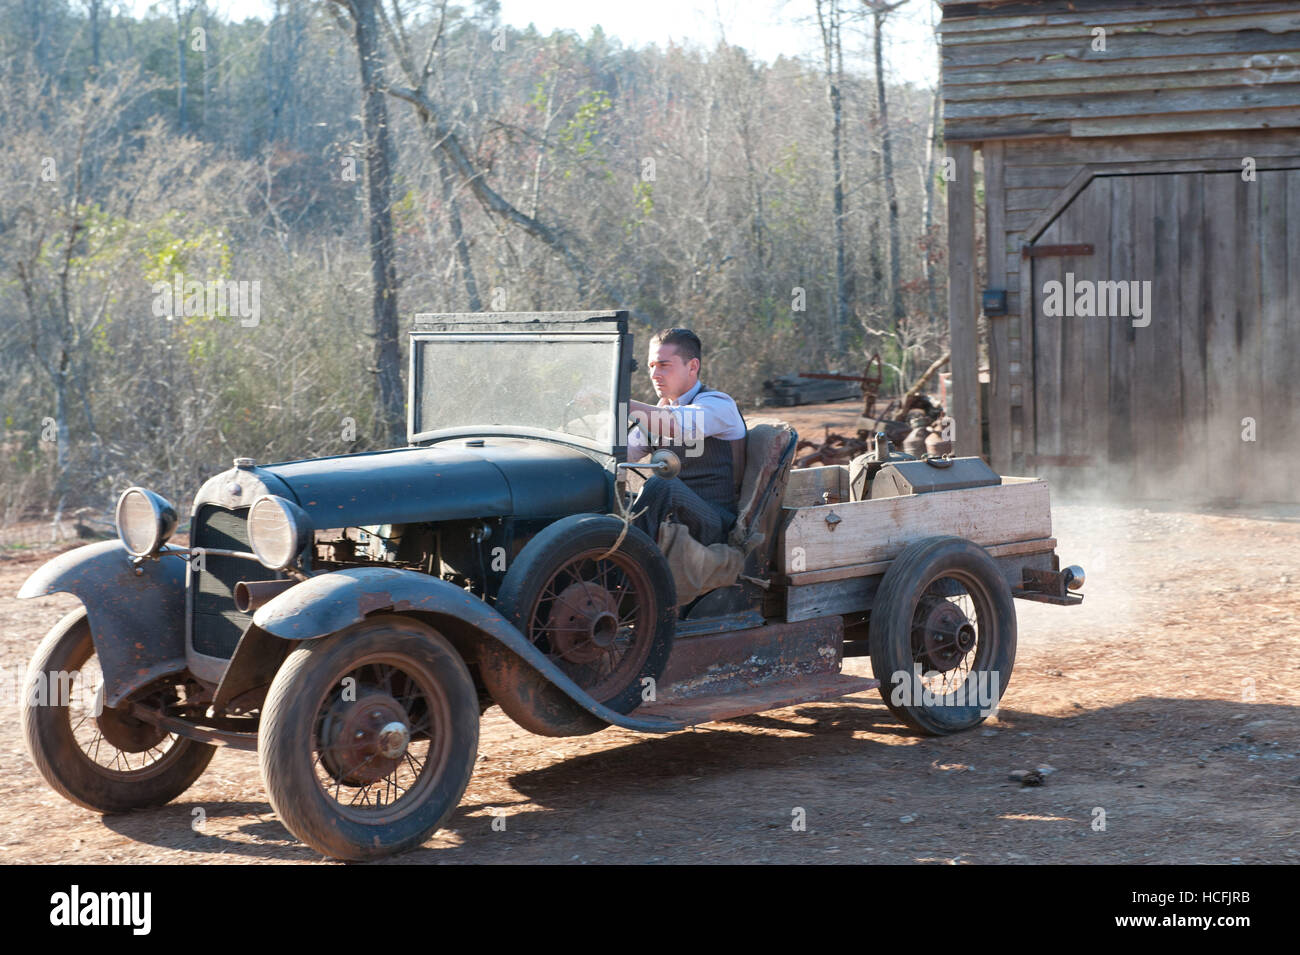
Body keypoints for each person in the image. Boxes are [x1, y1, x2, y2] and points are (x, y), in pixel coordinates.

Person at [625, 328, 747, 547]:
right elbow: (622, 452)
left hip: (714, 522)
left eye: (664, 365)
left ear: (692, 367)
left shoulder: (718, 404)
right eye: (652, 366)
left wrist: (620, 402)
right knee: (610, 496)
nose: (654, 375)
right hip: (673, 516)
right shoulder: (659, 411)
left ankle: (629, 567)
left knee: (661, 485)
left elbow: (675, 425)